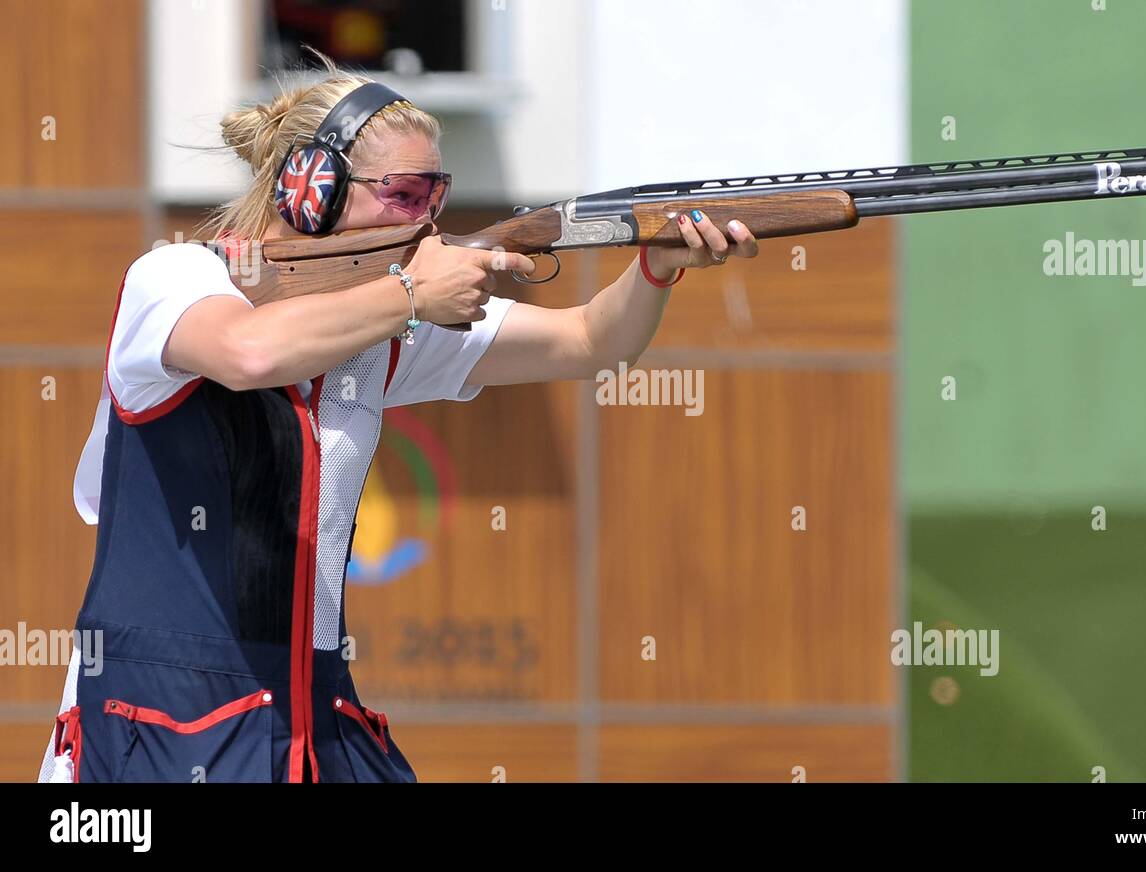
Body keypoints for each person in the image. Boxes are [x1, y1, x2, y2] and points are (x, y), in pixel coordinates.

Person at [36, 56, 758, 782]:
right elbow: (249, 353)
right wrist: (412, 293)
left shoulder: (379, 336)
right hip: (152, 729)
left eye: (436, 193)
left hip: (309, 723)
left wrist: (658, 266)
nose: (430, 221)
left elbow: (593, 342)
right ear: (309, 188)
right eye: (406, 195)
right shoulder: (175, 278)